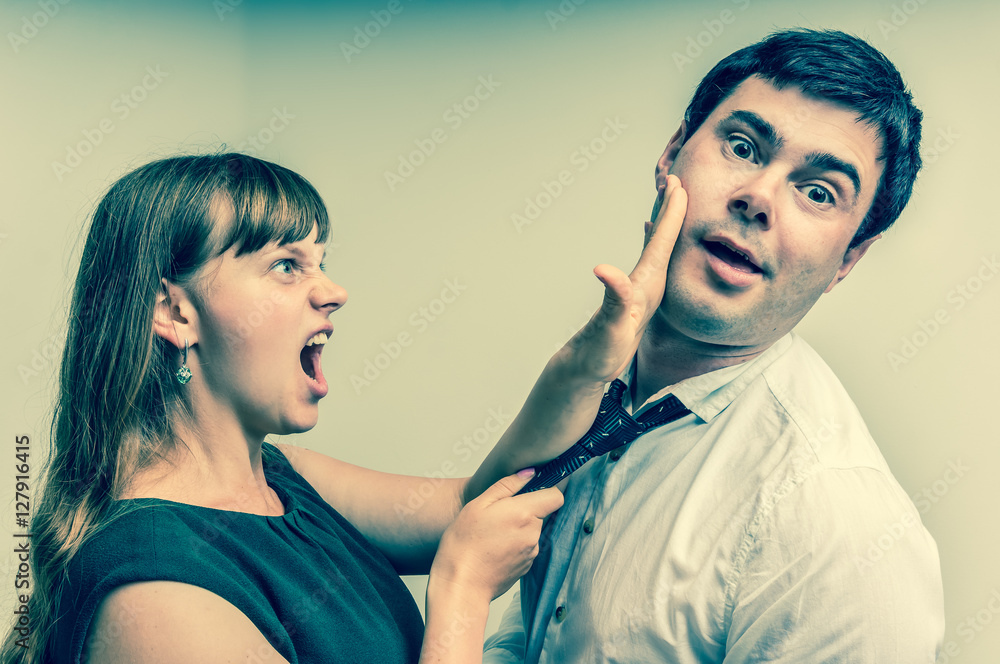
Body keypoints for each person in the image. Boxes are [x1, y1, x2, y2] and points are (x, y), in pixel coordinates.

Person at [0, 153, 689, 663]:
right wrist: (461, 593)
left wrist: (595, 357)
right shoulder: (155, 595)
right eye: (286, 266)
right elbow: (467, 547)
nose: (333, 292)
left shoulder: (280, 479)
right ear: (174, 312)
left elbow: (477, 504)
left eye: (321, 262)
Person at [483, 28, 945, 663]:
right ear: (673, 151)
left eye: (818, 193)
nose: (758, 198)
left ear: (850, 259)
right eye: (742, 146)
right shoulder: (598, 399)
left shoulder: (839, 524)